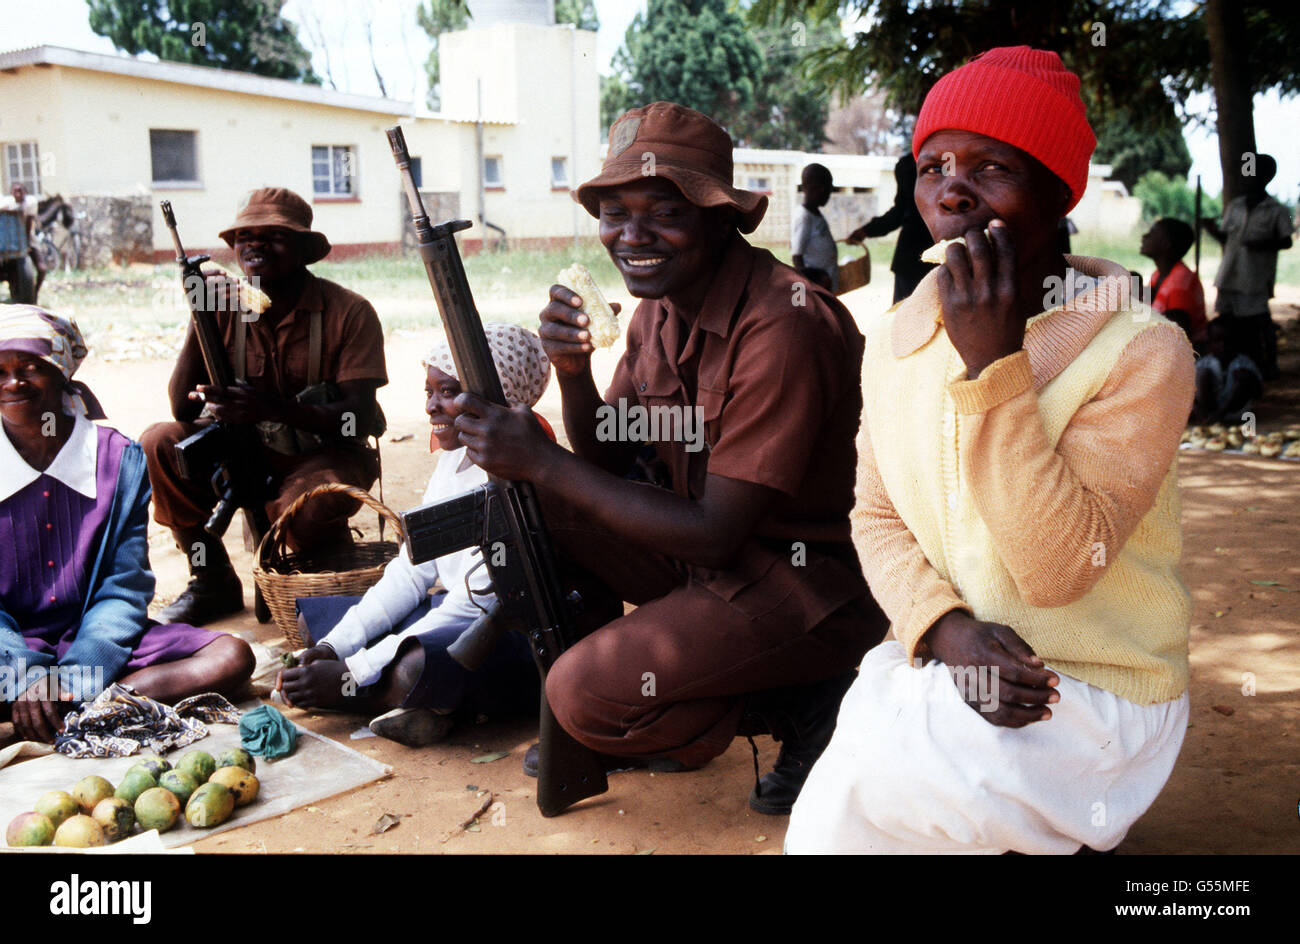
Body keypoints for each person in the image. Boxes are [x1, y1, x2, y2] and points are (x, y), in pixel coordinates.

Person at [787, 47, 1195, 854]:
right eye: (932, 164)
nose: (951, 188)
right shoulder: (899, 339)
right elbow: (874, 513)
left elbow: (1055, 567)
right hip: (952, 665)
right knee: (837, 810)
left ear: (1057, 189)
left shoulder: (1143, 352)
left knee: (871, 805)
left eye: (992, 165)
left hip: (1088, 690)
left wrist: (994, 366)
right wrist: (945, 631)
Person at [446, 102, 887, 815]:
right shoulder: (658, 308)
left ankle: (810, 698)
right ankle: (670, 670)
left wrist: (545, 461)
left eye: (662, 211)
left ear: (719, 218)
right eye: (614, 213)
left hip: (807, 586)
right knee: (533, 505)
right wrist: (572, 371)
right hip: (709, 561)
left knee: (579, 695)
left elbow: (717, 530)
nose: (631, 235)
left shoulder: (785, 324)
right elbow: (608, 458)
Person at [277, 325, 550, 746]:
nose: (430, 407)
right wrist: (336, 648)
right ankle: (424, 706)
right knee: (315, 626)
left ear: (500, 397)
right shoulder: (455, 460)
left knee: (413, 667)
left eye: (448, 391)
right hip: (454, 611)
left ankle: (391, 696)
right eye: (429, 391)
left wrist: (353, 672)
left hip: (507, 635)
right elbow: (412, 571)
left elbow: (471, 609)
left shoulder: (517, 481)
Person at [0, 305, 254, 743]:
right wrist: (23, 674)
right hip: (8, 650)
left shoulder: (116, 460)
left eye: (30, 368)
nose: (13, 383)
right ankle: (81, 712)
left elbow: (124, 586)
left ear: (63, 372)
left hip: (96, 641)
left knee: (231, 656)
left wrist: (76, 677)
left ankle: (62, 713)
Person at [140, 188, 388, 626]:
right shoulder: (222, 307)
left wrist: (273, 409)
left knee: (307, 506)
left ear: (304, 249)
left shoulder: (348, 312)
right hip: (239, 448)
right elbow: (181, 407)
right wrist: (199, 317)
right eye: (244, 236)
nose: (254, 244)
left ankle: (318, 578)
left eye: (273, 235)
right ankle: (211, 578)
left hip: (321, 454)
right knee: (160, 442)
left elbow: (357, 419)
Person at [1200, 154, 1293, 380]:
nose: (1246, 176)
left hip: (1254, 276)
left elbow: (1287, 240)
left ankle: (1269, 364)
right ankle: (1233, 361)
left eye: (1250, 171)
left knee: (1260, 321)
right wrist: (1211, 229)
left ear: (1265, 176)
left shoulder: (1275, 210)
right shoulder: (1235, 206)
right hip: (1230, 273)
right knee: (1227, 320)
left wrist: (1263, 244)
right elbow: (1226, 238)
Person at [846, 154, 936, 303]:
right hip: (912, 257)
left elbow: (899, 213)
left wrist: (866, 230)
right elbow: (900, 212)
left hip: (926, 256)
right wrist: (866, 230)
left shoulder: (947, 159)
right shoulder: (908, 164)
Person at [1140, 217, 1207, 345]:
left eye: (1151, 234)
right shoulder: (1158, 274)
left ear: (1166, 244)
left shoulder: (1180, 281)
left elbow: (1178, 333)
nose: (1144, 236)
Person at [1192, 317, 1262, 425]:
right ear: (1209, 344)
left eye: (1228, 341)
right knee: (1201, 374)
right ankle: (1209, 417)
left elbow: (1258, 392)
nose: (1223, 346)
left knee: (1243, 375)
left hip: (1237, 413)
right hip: (1209, 412)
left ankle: (1220, 416)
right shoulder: (1204, 363)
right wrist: (1198, 412)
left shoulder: (1245, 363)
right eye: (1217, 341)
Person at [791, 163, 838, 292]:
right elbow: (797, 258)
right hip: (816, 289)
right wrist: (815, 279)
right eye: (828, 189)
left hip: (826, 287)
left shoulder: (815, 214)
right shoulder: (804, 217)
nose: (829, 194)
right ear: (819, 189)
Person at [0, 184, 47, 301]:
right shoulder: (8, 204)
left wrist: (25, 245)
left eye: (20, 191)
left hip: (28, 241)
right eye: (15, 192)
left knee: (42, 268)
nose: (18, 194)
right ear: (11, 193)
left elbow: (28, 225)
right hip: (10, 244)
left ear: (25, 193)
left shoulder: (30, 203)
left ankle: (35, 293)